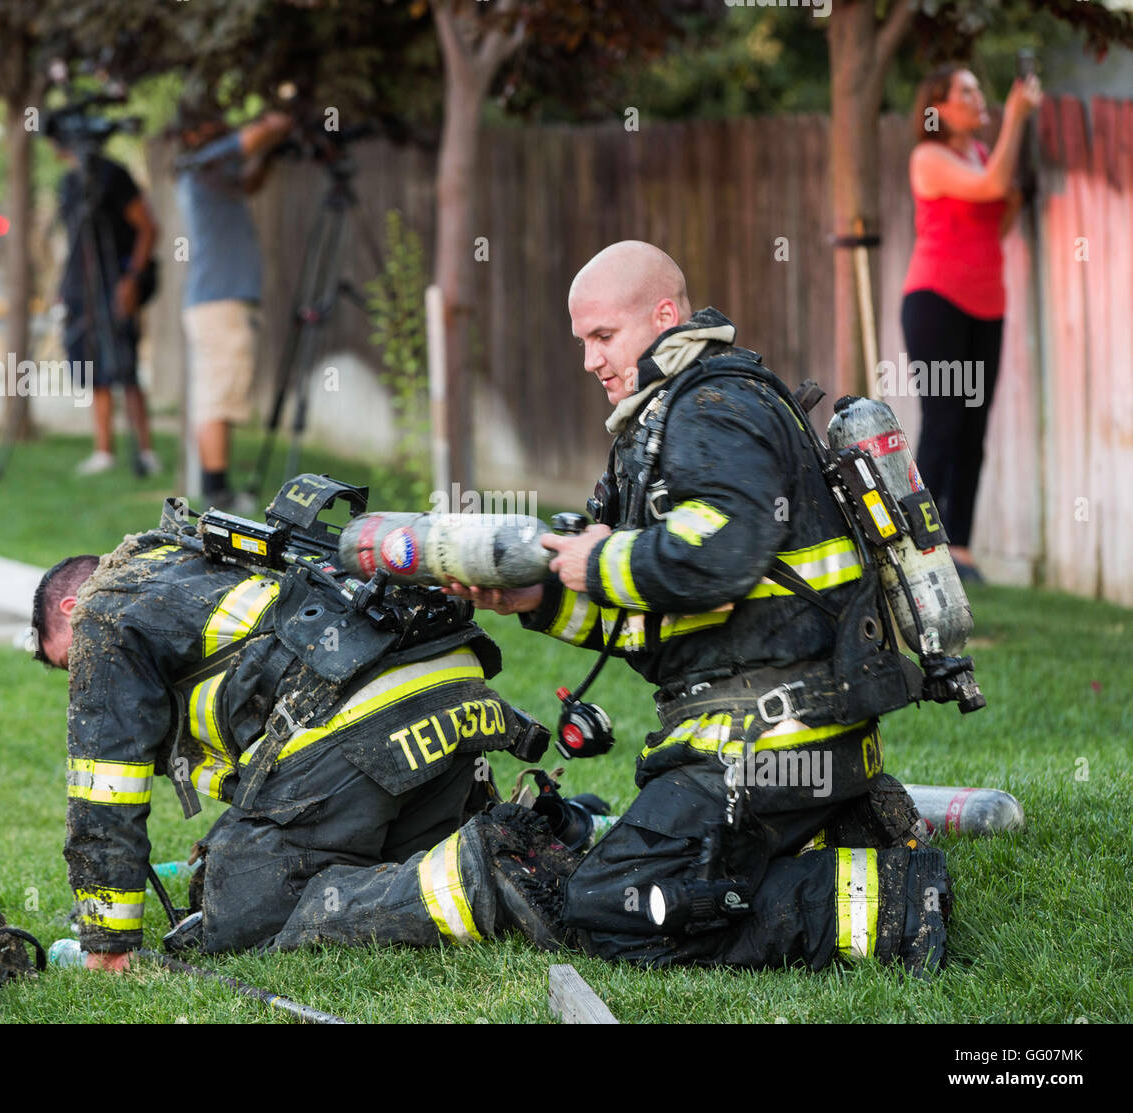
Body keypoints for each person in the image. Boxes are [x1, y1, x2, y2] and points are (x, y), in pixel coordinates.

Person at [447, 241, 951, 973]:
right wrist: (541, 597)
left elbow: (718, 553)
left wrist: (601, 559)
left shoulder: (713, 406)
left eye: (603, 336)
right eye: (582, 341)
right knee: (634, 885)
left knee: (612, 903)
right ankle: (840, 833)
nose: (590, 360)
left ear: (664, 315)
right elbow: (662, 618)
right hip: (785, 739)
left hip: (770, 744)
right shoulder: (669, 417)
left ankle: (893, 900)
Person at [29, 486, 577, 969]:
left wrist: (107, 944)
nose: (81, 678)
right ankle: (530, 839)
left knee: (242, 913)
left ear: (73, 607)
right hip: (454, 698)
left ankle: (487, 881)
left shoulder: (103, 612)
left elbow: (105, 789)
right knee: (360, 860)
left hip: (364, 721)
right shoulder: (197, 555)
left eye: (68, 663)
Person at [901, 66, 1043, 583]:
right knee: (942, 422)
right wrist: (1019, 117)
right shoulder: (929, 157)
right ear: (938, 107)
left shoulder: (981, 154)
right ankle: (919, 547)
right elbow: (992, 186)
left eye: (977, 88)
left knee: (974, 428)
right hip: (935, 300)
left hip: (988, 303)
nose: (978, 97)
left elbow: (996, 216)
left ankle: (958, 547)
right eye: (966, 91)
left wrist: (1010, 192)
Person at [173, 101, 294, 508]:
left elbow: (250, 181)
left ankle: (215, 487)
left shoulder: (208, 176)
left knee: (217, 393)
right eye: (211, 120)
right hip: (219, 302)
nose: (221, 123)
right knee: (216, 397)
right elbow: (260, 131)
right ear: (192, 134)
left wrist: (270, 153)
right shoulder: (207, 162)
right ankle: (216, 492)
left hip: (216, 301)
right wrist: (288, 112)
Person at [49, 120, 162, 478]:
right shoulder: (69, 184)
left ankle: (145, 451)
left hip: (116, 281)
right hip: (80, 287)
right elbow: (74, 238)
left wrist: (132, 279)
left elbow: (148, 227)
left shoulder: (114, 177)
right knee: (91, 366)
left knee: (125, 365)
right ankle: (103, 451)